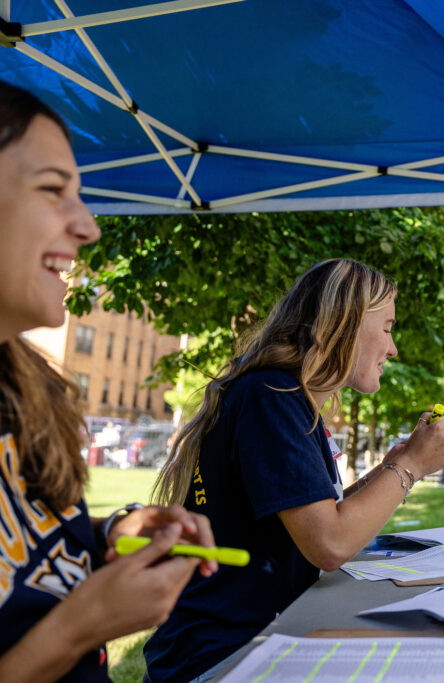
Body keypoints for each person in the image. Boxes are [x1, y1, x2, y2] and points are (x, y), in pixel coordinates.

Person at [144, 258, 444, 682]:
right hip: (217, 659)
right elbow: (328, 543)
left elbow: (320, 514)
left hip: (251, 641)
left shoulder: (282, 396)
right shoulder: (272, 396)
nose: (393, 348)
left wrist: (388, 467)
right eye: (386, 328)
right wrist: (410, 466)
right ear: (341, 324)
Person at [0, 79, 216, 682]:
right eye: (53, 191)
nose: (88, 227)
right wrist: (79, 626)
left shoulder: (26, 387)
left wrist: (112, 532)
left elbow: (26, 553)